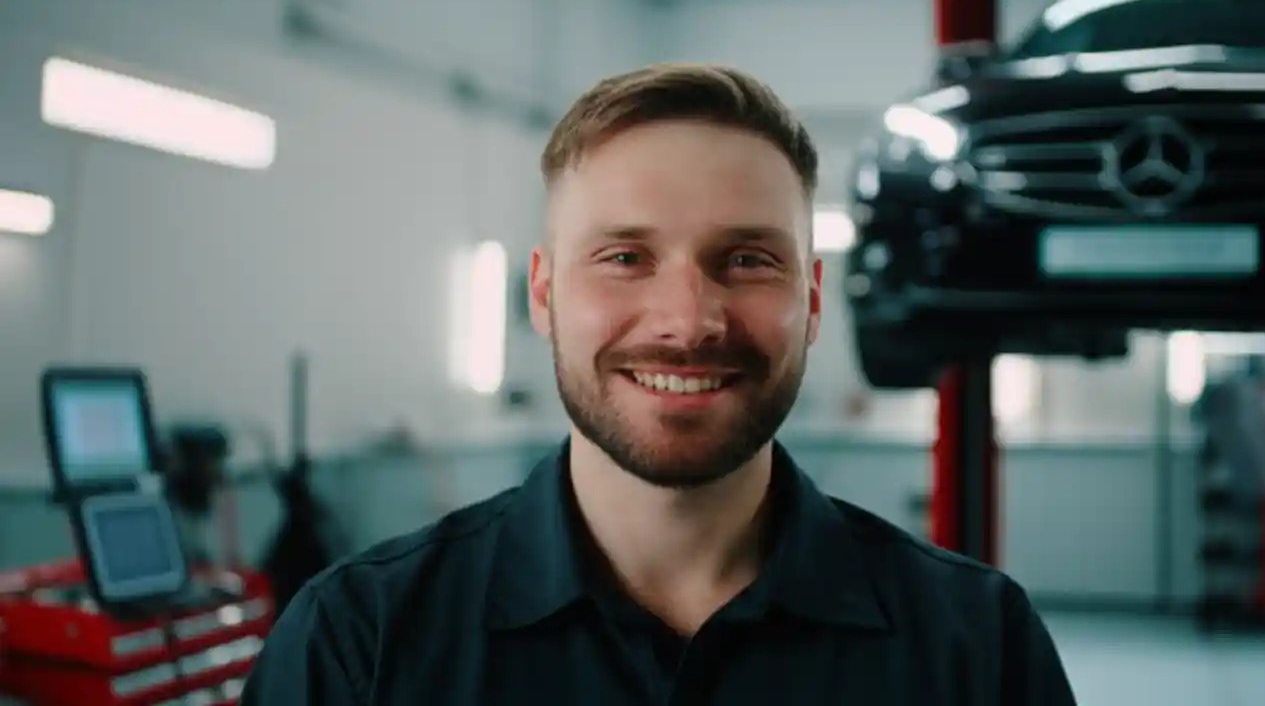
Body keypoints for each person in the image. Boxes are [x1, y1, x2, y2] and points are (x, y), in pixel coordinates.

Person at [240, 63, 1077, 705]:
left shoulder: (978, 649)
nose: (687, 321)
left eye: (747, 260)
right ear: (544, 293)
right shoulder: (358, 646)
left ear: (813, 300)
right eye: (624, 258)